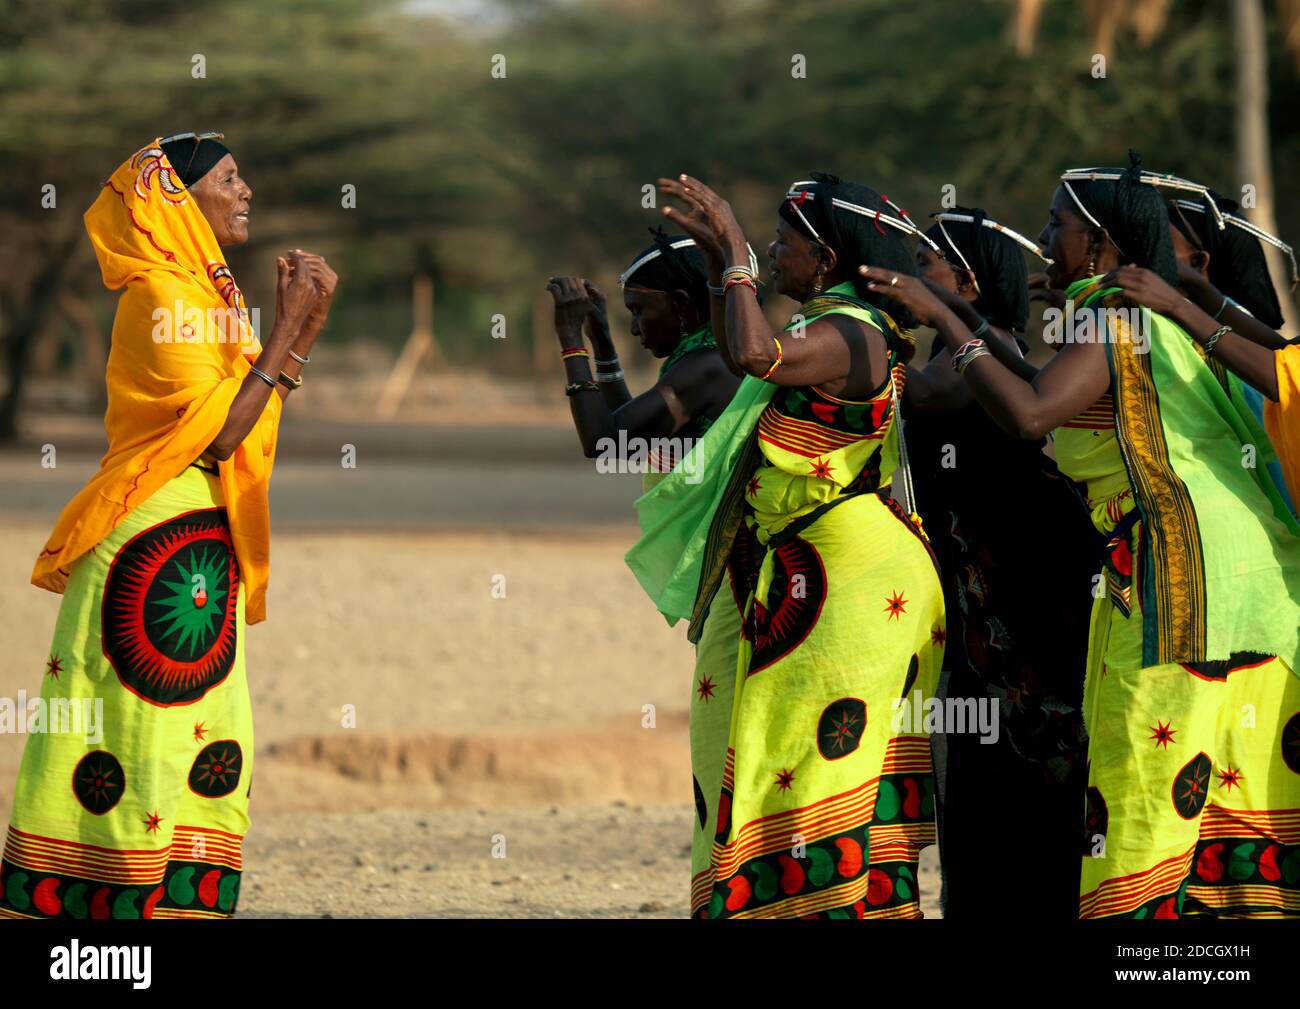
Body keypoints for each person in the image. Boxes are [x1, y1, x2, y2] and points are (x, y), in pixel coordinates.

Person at [862, 153, 1300, 918]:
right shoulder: (1164, 318)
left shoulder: (1114, 315)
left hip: (1176, 574)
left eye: (1057, 223)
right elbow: (1042, 388)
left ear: (1099, 241)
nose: (1043, 237)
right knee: (1224, 787)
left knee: (1142, 770)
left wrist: (945, 322)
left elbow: (1032, 414)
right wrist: (971, 327)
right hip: (1251, 582)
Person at [0, 133, 336, 919]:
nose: (246, 189)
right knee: (133, 723)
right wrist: (282, 326)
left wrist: (304, 333)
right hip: (149, 544)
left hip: (196, 541)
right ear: (180, 200)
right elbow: (221, 433)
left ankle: (175, 902)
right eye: (229, 178)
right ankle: (102, 907)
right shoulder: (161, 298)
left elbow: (253, 417)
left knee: (197, 723)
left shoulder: (207, 295)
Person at [628, 171, 944, 918]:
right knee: (780, 749)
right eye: (766, 239)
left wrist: (735, 256)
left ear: (827, 259)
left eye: (784, 241)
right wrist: (720, 270)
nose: (773, 251)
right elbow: (749, 344)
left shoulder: (849, 333)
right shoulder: (837, 325)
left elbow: (756, 355)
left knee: (812, 762)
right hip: (816, 564)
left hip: (851, 576)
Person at [903, 209, 1098, 918]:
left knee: (1009, 791)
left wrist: (860, 327)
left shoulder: (980, 359)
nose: (911, 271)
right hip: (983, 616)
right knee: (981, 794)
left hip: (1020, 617)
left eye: (926, 262)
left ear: (967, 281)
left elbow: (920, 398)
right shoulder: (966, 353)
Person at [546, 229, 739, 484]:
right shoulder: (714, 355)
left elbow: (602, 442)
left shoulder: (706, 366)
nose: (634, 328)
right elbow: (633, 442)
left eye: (638, 311)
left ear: (680, 303)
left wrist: (571, 340)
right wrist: (601, 341)